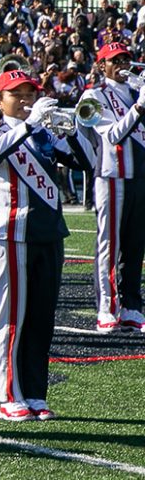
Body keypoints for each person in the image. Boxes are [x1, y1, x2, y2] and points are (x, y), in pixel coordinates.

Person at [0, 70, 93, 420]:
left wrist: (76, 128)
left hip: (49, 233)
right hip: (9, 234)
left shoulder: (43, 133)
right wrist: (28, 125)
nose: (25, 99)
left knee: (41, 319)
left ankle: (36, 393)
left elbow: (88, 163)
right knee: (11, 320)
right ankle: (8, 395)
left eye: (30, 93)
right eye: (17, 94)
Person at [82, 42, 143, 332]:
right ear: (102, 65)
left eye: (125, 59)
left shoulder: (134, 92)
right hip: (111, 176)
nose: (121, 64)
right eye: (114, 59)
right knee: (110, 243)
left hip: (140, 177)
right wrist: (140, 106)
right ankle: (107, 307)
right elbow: (113, 134)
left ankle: (132, 306)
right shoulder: (92, 96)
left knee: (135, 246)